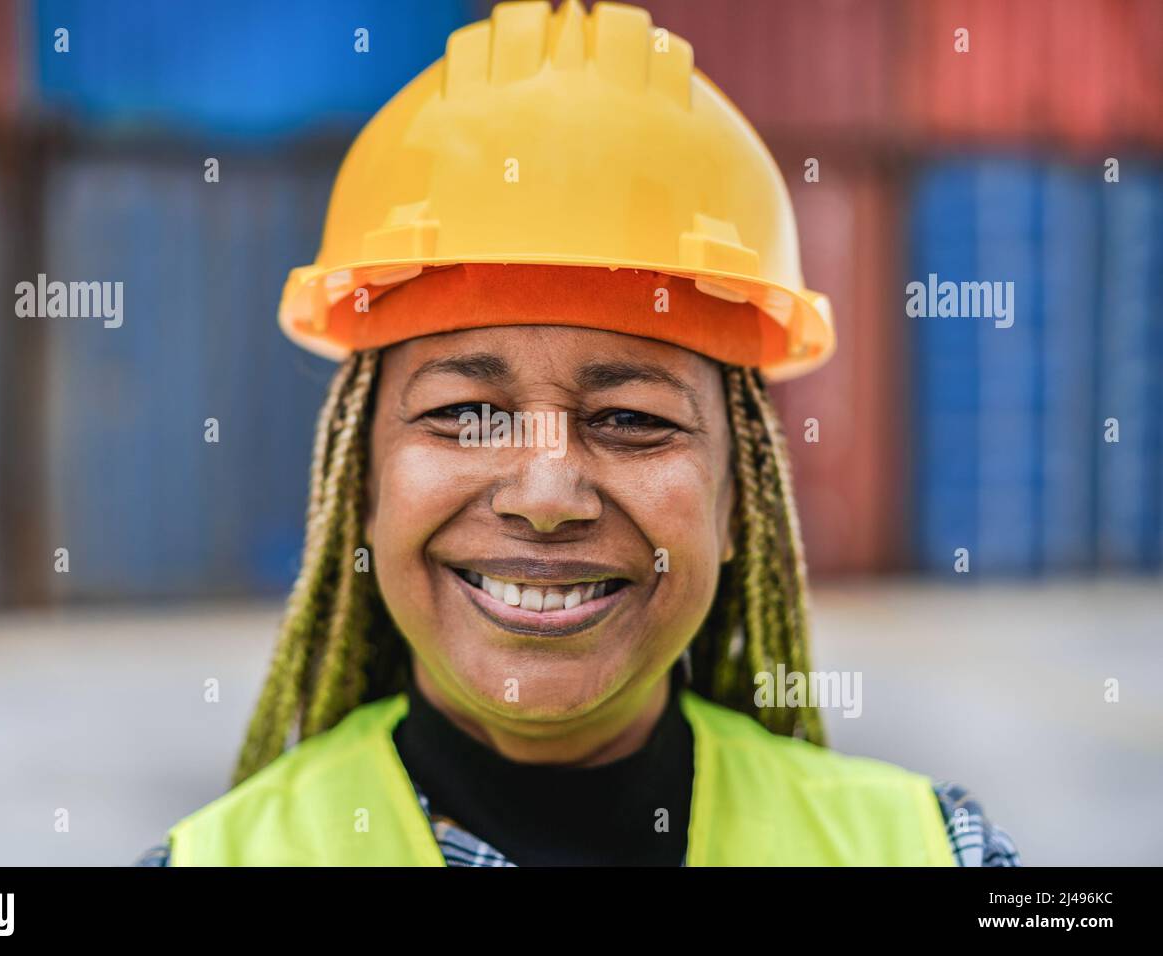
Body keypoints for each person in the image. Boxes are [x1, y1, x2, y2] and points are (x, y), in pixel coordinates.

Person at [139, 0, 1019, 867]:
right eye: (463, 416)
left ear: (735, 501)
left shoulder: (931, 853)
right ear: (359, 487)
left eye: (633, 420)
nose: (547, 496)